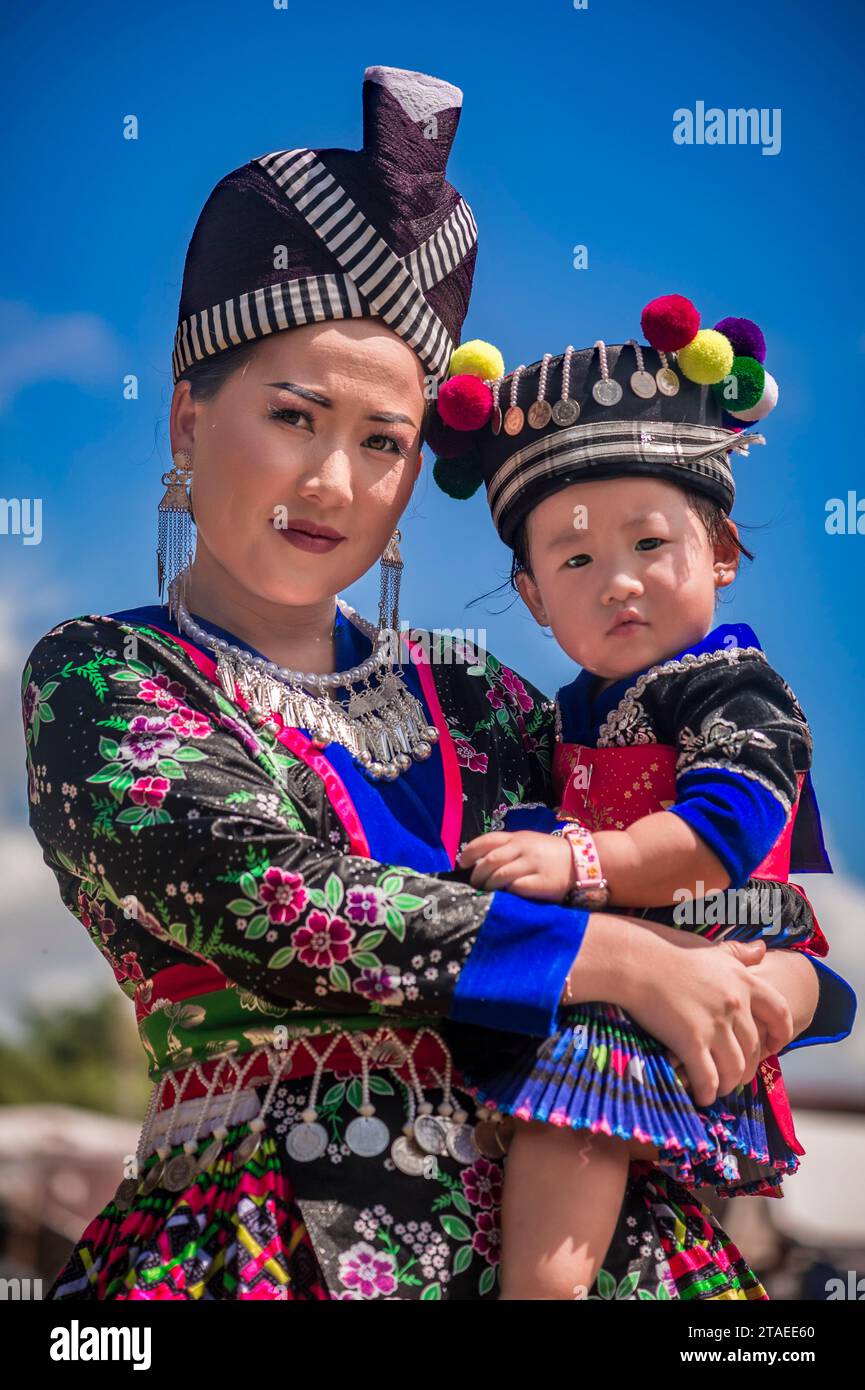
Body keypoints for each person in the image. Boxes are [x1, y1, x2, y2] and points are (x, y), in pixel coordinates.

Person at [21, 71, 853, 1302]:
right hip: (258, 1237)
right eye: (294, 416)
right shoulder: (104, 674)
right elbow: (272, 899)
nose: (336, 484)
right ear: (188, 422)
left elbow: (706, 879)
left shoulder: (486, 702)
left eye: (383, 443)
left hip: (581, 1238)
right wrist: (613, 963)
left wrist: (788, 983)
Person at [427, 302, 857, 1299]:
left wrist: (582, 864)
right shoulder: (564, 712)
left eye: (649, 544)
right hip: (648, 963)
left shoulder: (732, 685)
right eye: (575, 559)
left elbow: (723, 831)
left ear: (719, 551)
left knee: (568, 1121)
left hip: (728, 930)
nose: (617, 582)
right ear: (533, 597)